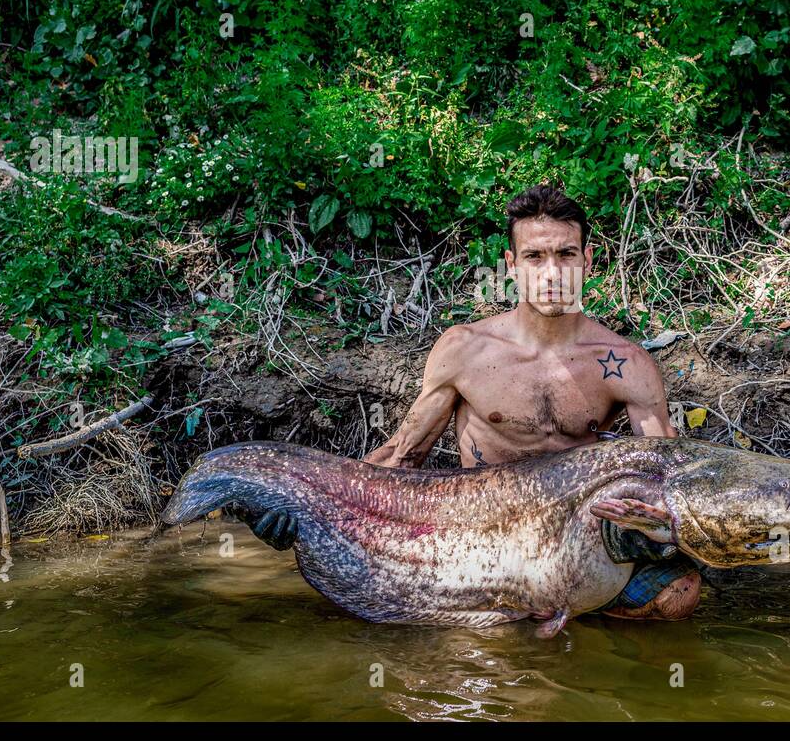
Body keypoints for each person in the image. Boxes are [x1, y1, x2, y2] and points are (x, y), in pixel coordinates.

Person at [249, 183, 700, 621]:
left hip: (578, 543)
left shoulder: (624, 362)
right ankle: (507, 615)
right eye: (534, 256)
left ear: (588, 260)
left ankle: (573, 607)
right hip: (481, 536)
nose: (552, 272)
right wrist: (308, 504)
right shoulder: (466, 349)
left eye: (566, 254)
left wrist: (657, 532)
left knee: (680, 593)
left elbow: (668, 476)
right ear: (511, 264)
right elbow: (402, 457)